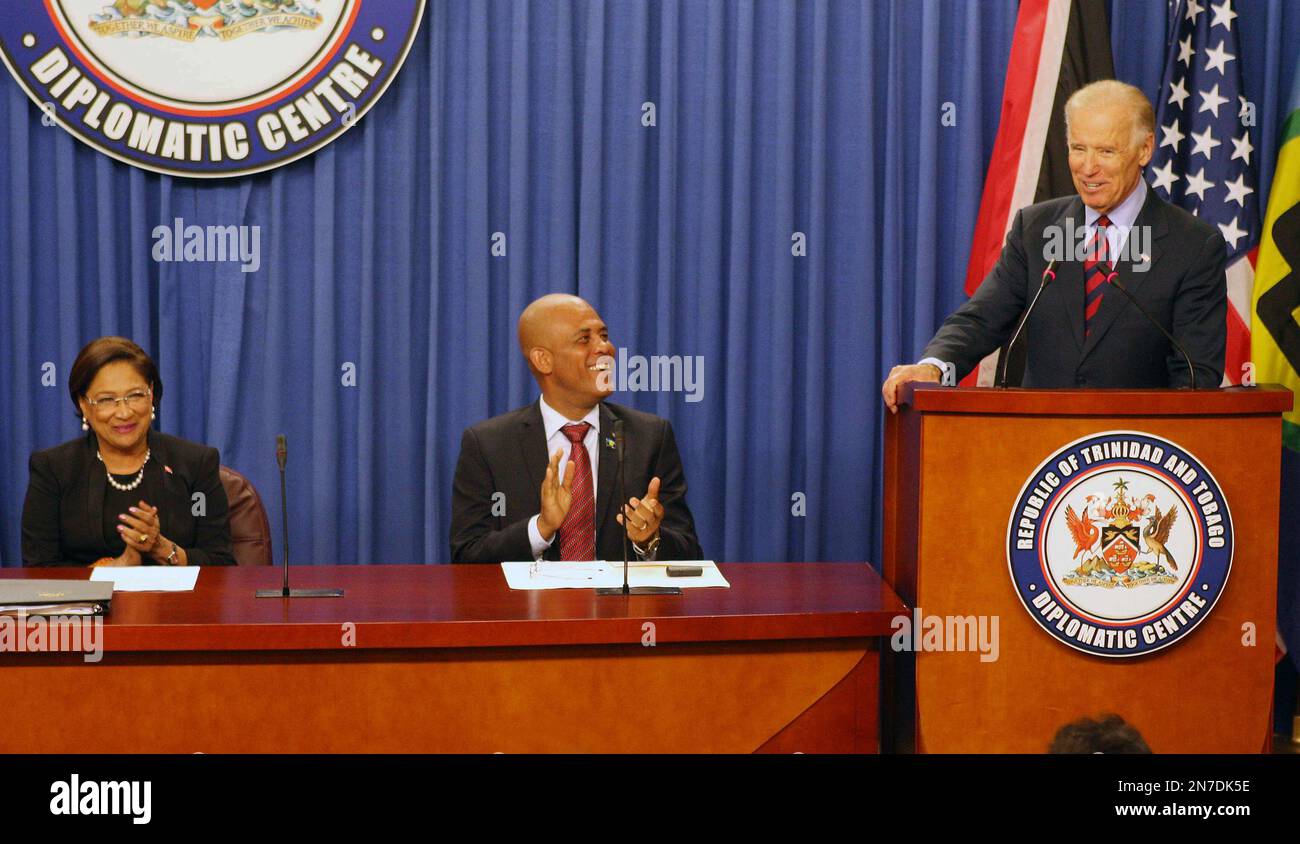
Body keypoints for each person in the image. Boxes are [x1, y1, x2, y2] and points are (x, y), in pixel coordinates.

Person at [882, 80, 1228, 411]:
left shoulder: (1194, 246)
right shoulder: (1036, 229)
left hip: (1136, 457)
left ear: (1145, 149)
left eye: (1106, 151)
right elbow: (982, 319)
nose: (1088, 168)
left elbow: (1195, 377)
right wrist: (934, 366)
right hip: (1044, 450)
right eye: (1079, 148)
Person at [451, 294, 702, 563]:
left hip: (618, 605)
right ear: (543, 360)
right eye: (585, 339)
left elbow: (689, 552)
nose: (605, 347)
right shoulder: (488, 444)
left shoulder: (650, 436)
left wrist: (649, 540)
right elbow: (467, 555)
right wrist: (541, 528)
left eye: (604, 335)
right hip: (526, 605)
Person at [22, 336, 235, 567]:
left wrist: (161, 549)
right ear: (83, 404)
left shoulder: (196, 464)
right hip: (87, 602)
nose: (124, 412)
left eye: (135, 395)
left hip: (177, 602)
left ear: (151, 394)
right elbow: (39, 569)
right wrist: (114, 569)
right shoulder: (53, 469)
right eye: (106, 400)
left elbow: (221, 563)